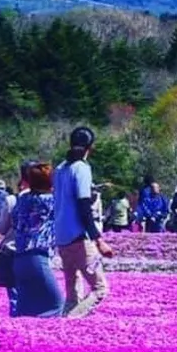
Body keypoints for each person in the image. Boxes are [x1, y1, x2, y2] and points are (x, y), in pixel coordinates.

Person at [53, 126, 114, 318]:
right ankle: (71, 320)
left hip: (61, 236)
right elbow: (83, 206)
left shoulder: (60, 169)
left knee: (72, 292)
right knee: (100, 289)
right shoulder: (82, 168)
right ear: (91, 147)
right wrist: (98, 239)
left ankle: (65, 322)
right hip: (78, 236)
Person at [0, 162, 64, 318]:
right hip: (37, 257)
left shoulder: (22, 199)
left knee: (24, 311)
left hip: (19, 259)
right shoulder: (50, 200)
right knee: (56, 305)